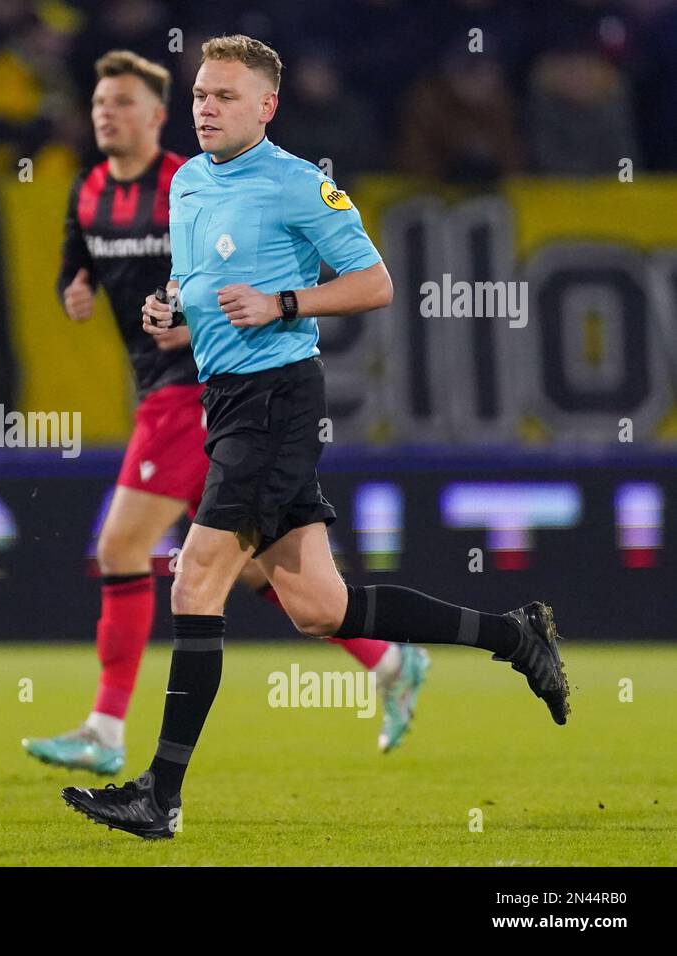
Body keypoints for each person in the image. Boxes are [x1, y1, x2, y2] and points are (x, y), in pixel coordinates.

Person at [61, 36, 569, 840]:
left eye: (225, 96)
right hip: (224, 402)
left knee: (195, 583)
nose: (206, 107)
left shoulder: (300, 184)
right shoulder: (189, 181)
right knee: (320, 608)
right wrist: (168, 305)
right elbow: (192, 278)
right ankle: (516, 635)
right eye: (200, 94)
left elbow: (375, 283)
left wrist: (283, 304)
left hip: (276, 402)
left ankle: (160, 795)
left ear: (266, 106)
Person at [23, 50, 428, 777]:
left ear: (153, 116)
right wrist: (81, 293)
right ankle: (388, 657)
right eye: (96, 104)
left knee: (128, 550)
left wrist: (269, 306)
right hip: (175, 387)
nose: (104, 116)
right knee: (255, 574)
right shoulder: (89, 193)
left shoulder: (202, 178)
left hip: (204, 392)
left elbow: (356, 278)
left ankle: (112, 732)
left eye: (121, 104)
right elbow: (83, 269)